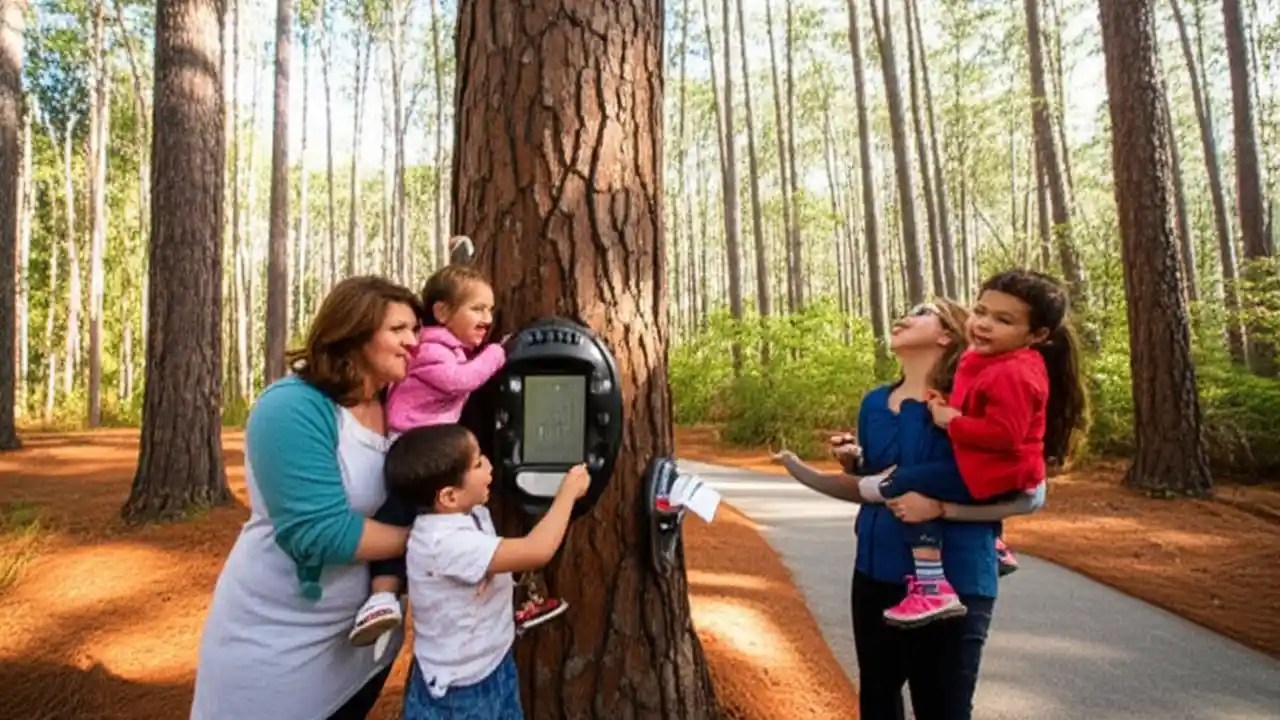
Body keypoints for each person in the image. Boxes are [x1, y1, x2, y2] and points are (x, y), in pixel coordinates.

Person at [774, 299, 1044, 720]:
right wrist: (854, 465)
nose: (903, 315)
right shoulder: (873, 403)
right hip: (874, 572)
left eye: (921, 311)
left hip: (958, 580)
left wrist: (942, 508)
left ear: (946, 335)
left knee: (942, 709)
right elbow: (882, 481)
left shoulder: (970, 403)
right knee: (878, 702)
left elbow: (1030, 495)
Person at [192, 276, 422, 720]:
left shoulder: (398, 404)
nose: (412, 342)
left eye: (415, 329)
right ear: (354, 331)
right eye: (398, 330)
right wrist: (430, 541)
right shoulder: (292, 407)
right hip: (278, 647)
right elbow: (320, 534)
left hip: (360, 649)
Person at [349, 260, 566, 646]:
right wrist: (500, 354)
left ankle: (485, 598)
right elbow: (458, 381)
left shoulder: (450, 348)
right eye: (477, 308)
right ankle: (382, 596)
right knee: (409, 517)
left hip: (430, 444)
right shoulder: (432, 347)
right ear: (442, 312)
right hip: (416, 447)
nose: (487, 316)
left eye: (491, 309)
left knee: (455, 520)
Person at [873, 269, 1087, 627]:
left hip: (994, 471)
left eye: (1003, 320)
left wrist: (950, 421)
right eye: (981, 311)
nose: (984, 324)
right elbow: (980, 405)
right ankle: (996, 546)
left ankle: (931, 586)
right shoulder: (988, 358)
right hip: (983, 465)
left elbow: (1005, 435)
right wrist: (948, 406)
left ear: (1037, 335)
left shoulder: (1014, 373)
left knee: (904, 482)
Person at [384, 423, 590, 719]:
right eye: (479, 463)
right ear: (449, 497)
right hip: (460, 693)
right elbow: (537, 551)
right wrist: (568, 493)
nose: (490, 466)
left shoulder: (471, 513)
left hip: (494, 665)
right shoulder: (442, 542)